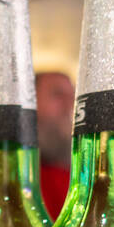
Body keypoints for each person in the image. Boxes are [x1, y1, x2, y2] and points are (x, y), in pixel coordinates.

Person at [34, 71, 74, 219]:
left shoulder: (86, 177)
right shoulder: (19, 177)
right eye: (58, 94)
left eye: (74, 95)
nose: (71, 104)